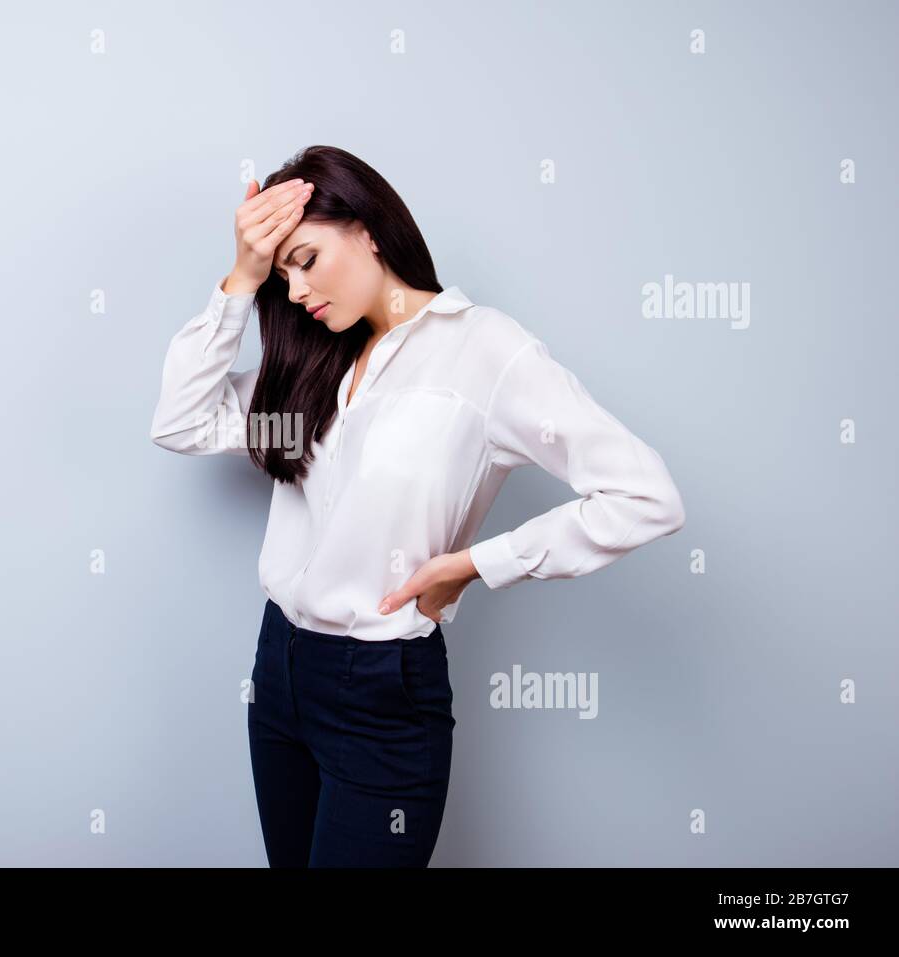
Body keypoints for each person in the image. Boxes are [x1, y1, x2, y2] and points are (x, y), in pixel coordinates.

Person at [149, 145, 686, 867]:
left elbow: (644, 495)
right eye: (284, 276)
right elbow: (180, 420)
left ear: (367, 228)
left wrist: (478, 563)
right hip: (278, 671)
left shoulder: (484, 350)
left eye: (306, 258)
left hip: (381, 693)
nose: (298, 291)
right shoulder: (315, 361)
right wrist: (242, 280)